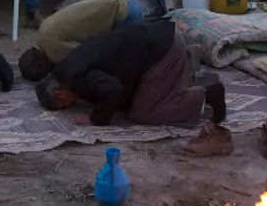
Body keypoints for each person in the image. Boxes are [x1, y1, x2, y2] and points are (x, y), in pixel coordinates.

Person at [34, 19, 226, 127]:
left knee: (144, 114)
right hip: (158, 39)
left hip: (163, 49)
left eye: (64, 105)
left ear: (59, 93)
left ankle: (206, 95)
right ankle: (186, 67)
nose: (71, 105)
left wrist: (96, 119)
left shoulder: (76, 78)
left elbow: (113, 90)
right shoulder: (67, 66)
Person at [17, 0, 148, 82]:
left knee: (120, 68)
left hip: (125, 13)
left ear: (39, 65)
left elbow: (85, 58)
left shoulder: (53, 50)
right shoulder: (42, 31)